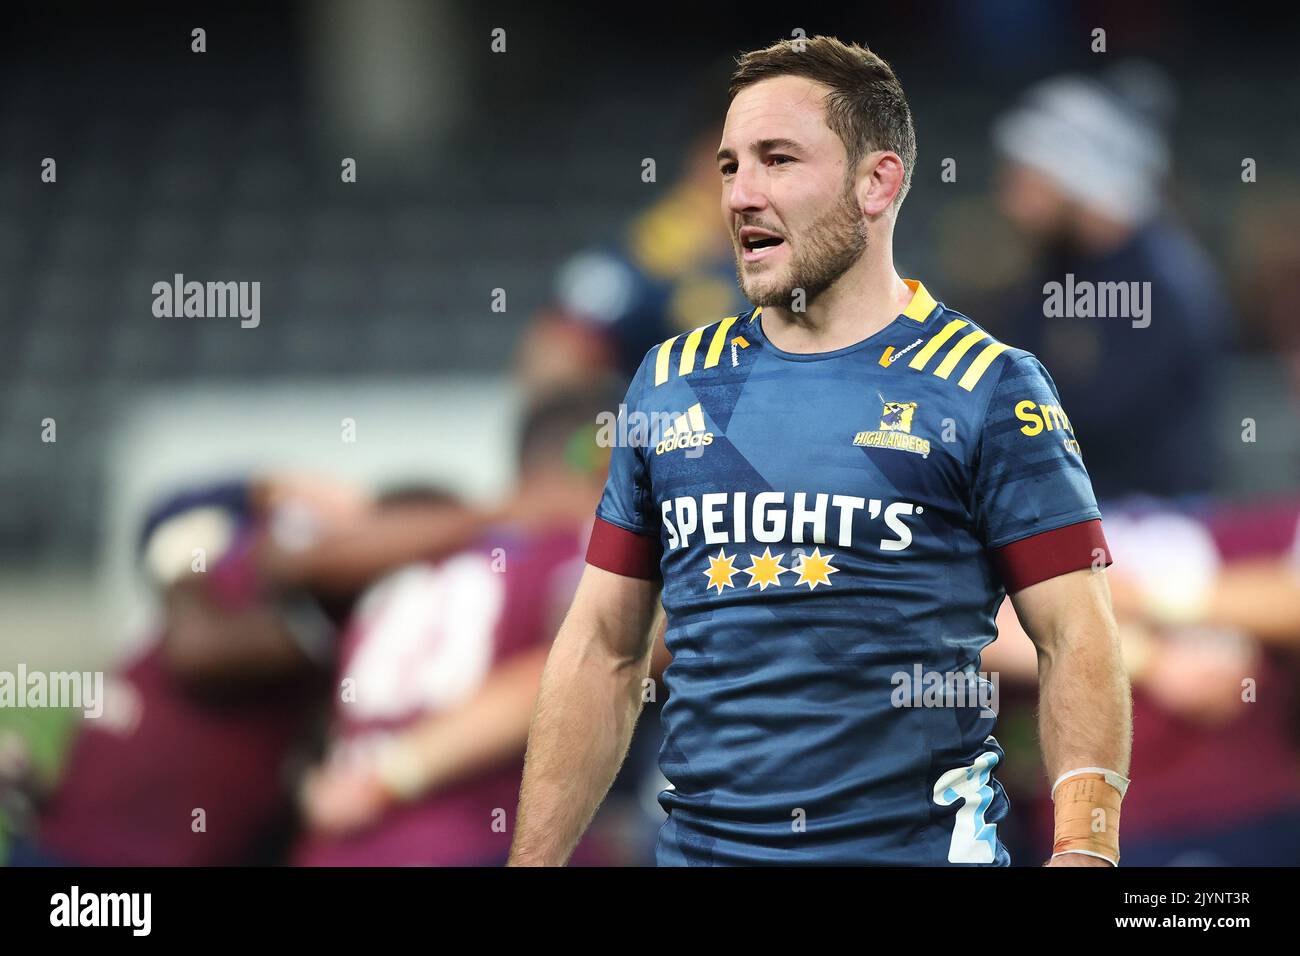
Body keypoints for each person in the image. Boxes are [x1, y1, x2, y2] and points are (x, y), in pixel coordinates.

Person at [509, 36, 1131, 867]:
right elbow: (603, 648)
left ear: (878, 182)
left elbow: (1077, 638)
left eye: (777, 159)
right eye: (730, 166)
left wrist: (1087, 852)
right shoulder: (669, 382)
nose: (740, 194)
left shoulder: (988, 385)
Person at [292, 386, 623, 866]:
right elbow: (578, 668)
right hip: (467, 840)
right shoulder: (579, 547)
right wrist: (389, 776)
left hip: (336, 851)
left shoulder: (414, 563)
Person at [990, 63, 1229, 500]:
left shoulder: (1162, 279)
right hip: (1074, 515)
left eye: (1025, 177)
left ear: (1073, 175)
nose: (1011, 198)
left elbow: (1101, 416)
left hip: (1155, 525)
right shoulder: (1056, 267)